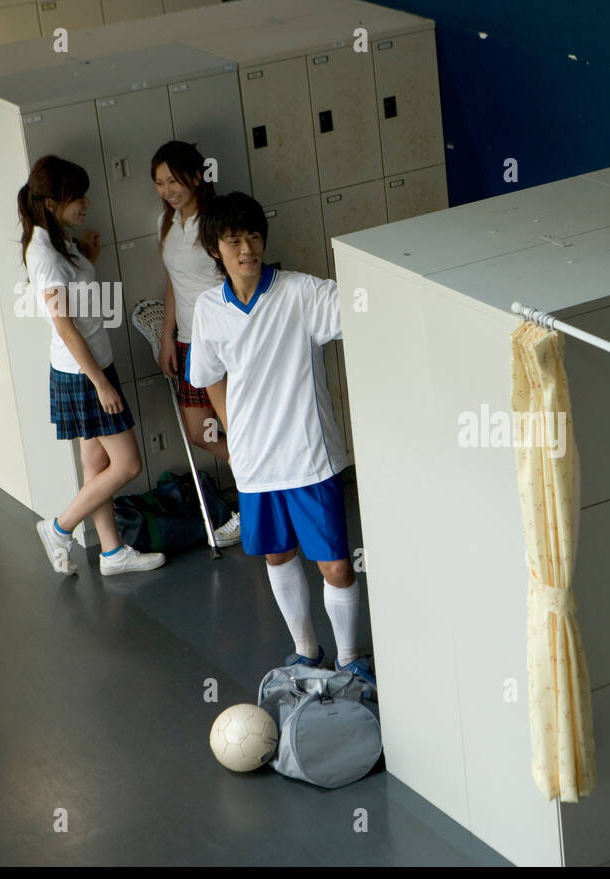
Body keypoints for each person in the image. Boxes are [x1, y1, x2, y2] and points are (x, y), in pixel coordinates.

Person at [187, 192, 371, 683]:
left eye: (253, 236)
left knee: (335, 565)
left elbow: (361, 306)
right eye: (233, 240)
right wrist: (236, 434)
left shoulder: (301, 293)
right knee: (277, 554)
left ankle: (351, 658)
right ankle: (306, 650)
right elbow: (208, 376)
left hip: (310, 457)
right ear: (215, 249)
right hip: (255, 465)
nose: (246, 248)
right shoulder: (208, 308)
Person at [23, 155, 166, 577]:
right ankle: (59, 528)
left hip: (90, 366)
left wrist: (88, 258)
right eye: (76, 197)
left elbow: (77, 300)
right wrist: (102, 383)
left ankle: (111, 552)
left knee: (96, 466)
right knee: (128, 465)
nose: (86, 203)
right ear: (52, 202)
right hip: (85, 373)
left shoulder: (59, 238)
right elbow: (65, 327)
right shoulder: (44, 253)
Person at [150, 141, 240, 546]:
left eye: (173, 180)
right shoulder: (166, 223)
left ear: (195, 176)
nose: (168, 189)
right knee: (200, 431)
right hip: (188, 342)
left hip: (223, 340)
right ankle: (249, 469)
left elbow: (238, 280)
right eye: (159, 182)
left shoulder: (215, 222)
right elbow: (175, 282)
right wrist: (168, 336)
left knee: (239, 422)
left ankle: (255, 501)